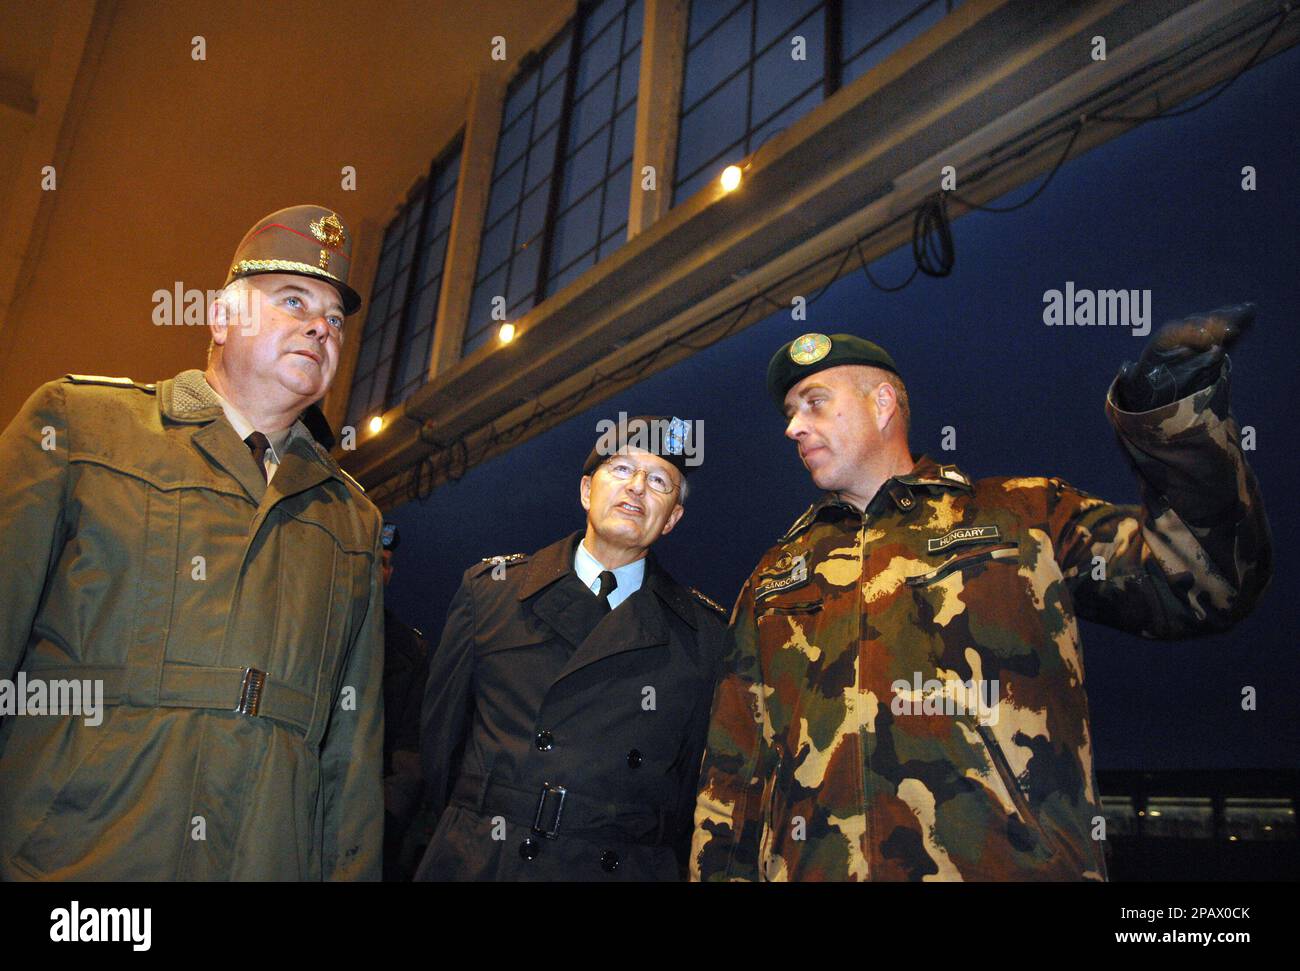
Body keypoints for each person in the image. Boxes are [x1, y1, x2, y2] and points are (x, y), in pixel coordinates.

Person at [692, 311, 1272, 881]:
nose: (793, 426)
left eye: (813, 402)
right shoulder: (776, 576)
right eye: (790, 412)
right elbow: (734, 773)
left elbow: (1205, 579)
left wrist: (1172, 421)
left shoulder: (1022, 515)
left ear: (882, 404)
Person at [0, 205, 385, 880]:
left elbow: (351, 750)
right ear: (220, 318)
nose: (321, 326)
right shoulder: (81, 428)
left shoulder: (351, 518)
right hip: (78, 863)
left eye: (335, 318)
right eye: (293, 299)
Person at [416, 416, 727, 880]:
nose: (637, 487)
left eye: (658, 480)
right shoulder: (493, 593)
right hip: (487, 861)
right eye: (621, 469)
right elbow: (439, 749)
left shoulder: (704, 634)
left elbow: (688, 790)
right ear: (586, 491)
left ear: (672, 519)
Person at [378, 522, 432, 881]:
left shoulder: (409, 650)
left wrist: (383, 819)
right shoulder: (305, 632)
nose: (375, 570)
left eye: (382, 562)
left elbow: (412, 748)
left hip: (374, 831)